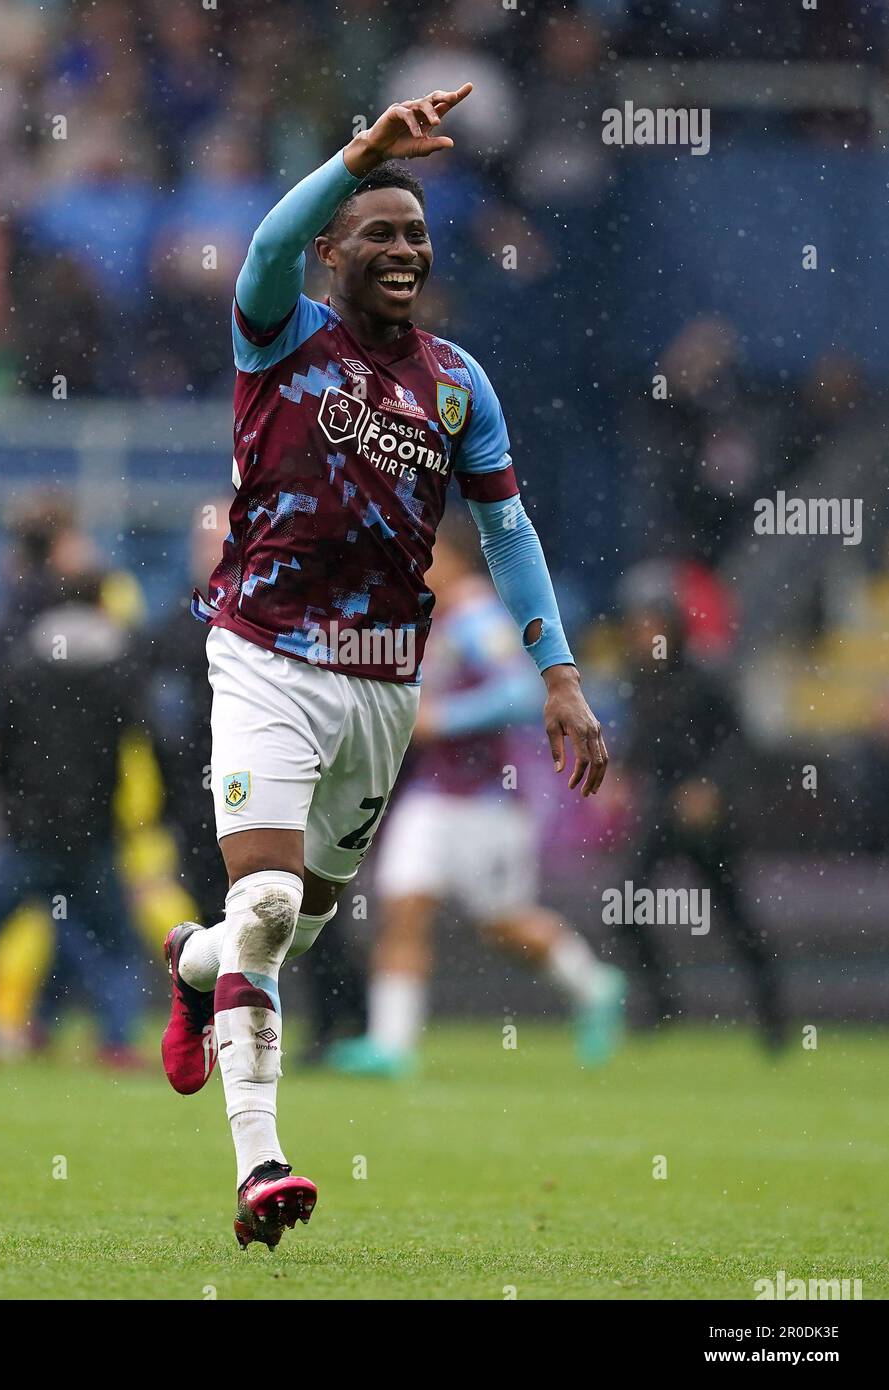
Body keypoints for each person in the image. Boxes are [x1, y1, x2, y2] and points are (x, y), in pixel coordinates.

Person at [160, 84, 608, 1249]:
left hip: (381, 683)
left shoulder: (457, 383)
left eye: (416, 233)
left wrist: (555, 671)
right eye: (380, 232)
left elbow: (504, 530)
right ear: (332, 253)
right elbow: (261, 244)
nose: (405, 249)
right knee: (263, 899)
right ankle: (262, 1164)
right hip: (262, 652)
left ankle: (191, 965)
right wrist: (359, 148)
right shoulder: (281, 330)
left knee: (284, 931)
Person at [327, 514, 625, 1077]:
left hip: (486, 800)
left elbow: (518, 691)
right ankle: (391, 1046)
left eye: (427, 551)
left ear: (455, 555)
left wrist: (445, 719)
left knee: (503, 924)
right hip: (432, 795)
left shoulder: (478, 616)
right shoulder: (437, 615)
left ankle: (594, 984)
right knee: (403, 907)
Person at [0, 571, 146, 1066]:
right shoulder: (120, 670)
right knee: (117, 946)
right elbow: (143, 744)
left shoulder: (21, 665)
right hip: (93, 836)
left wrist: (7, 806)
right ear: (101, 605)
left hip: (26, 836)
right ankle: (117, 1043)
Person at [617, 560, 784, 1045]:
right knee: (626, 903)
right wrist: (622, 773)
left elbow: (740, 741)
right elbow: (647, 737)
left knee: (734, 916)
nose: (643, 633)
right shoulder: (642, 676)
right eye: (637, 623)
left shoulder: (707, 674)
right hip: (663, 807)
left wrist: (711, 786)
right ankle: (664, 1004)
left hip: (709, 816)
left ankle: (773, 1019)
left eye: (651, 621)